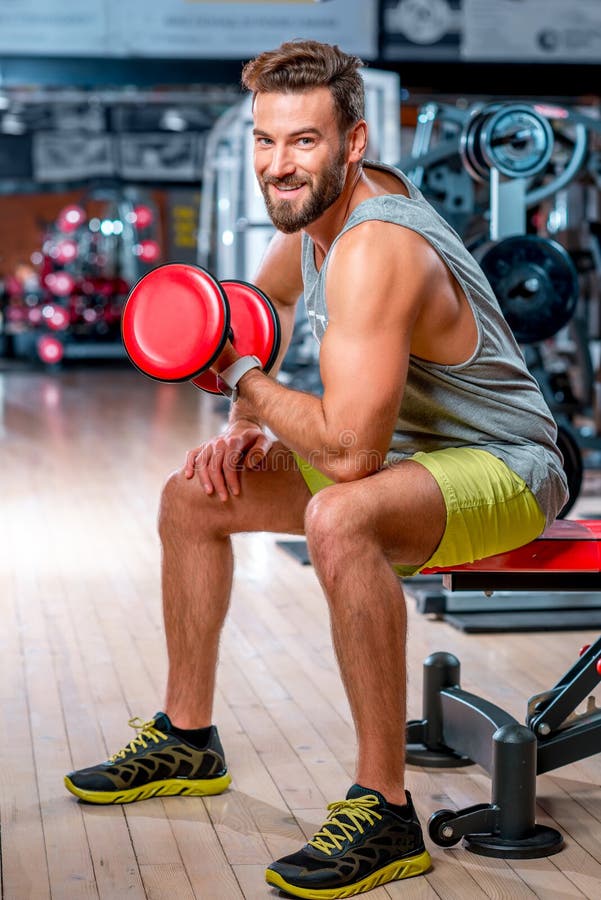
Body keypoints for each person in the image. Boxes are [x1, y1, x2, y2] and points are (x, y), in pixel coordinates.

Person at [65, 40, 568, 898]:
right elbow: (259, 308)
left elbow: (345, 456)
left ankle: (384, 809)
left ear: (354, 143)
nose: (279, 164)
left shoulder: (376, 246)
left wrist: (244, 379)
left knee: (341, 515)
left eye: (303, 141)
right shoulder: (313, 221)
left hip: (507, 464)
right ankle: (187, 737)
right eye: (266, 140)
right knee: (194, 495)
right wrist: (241, 421)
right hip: (407, 455)